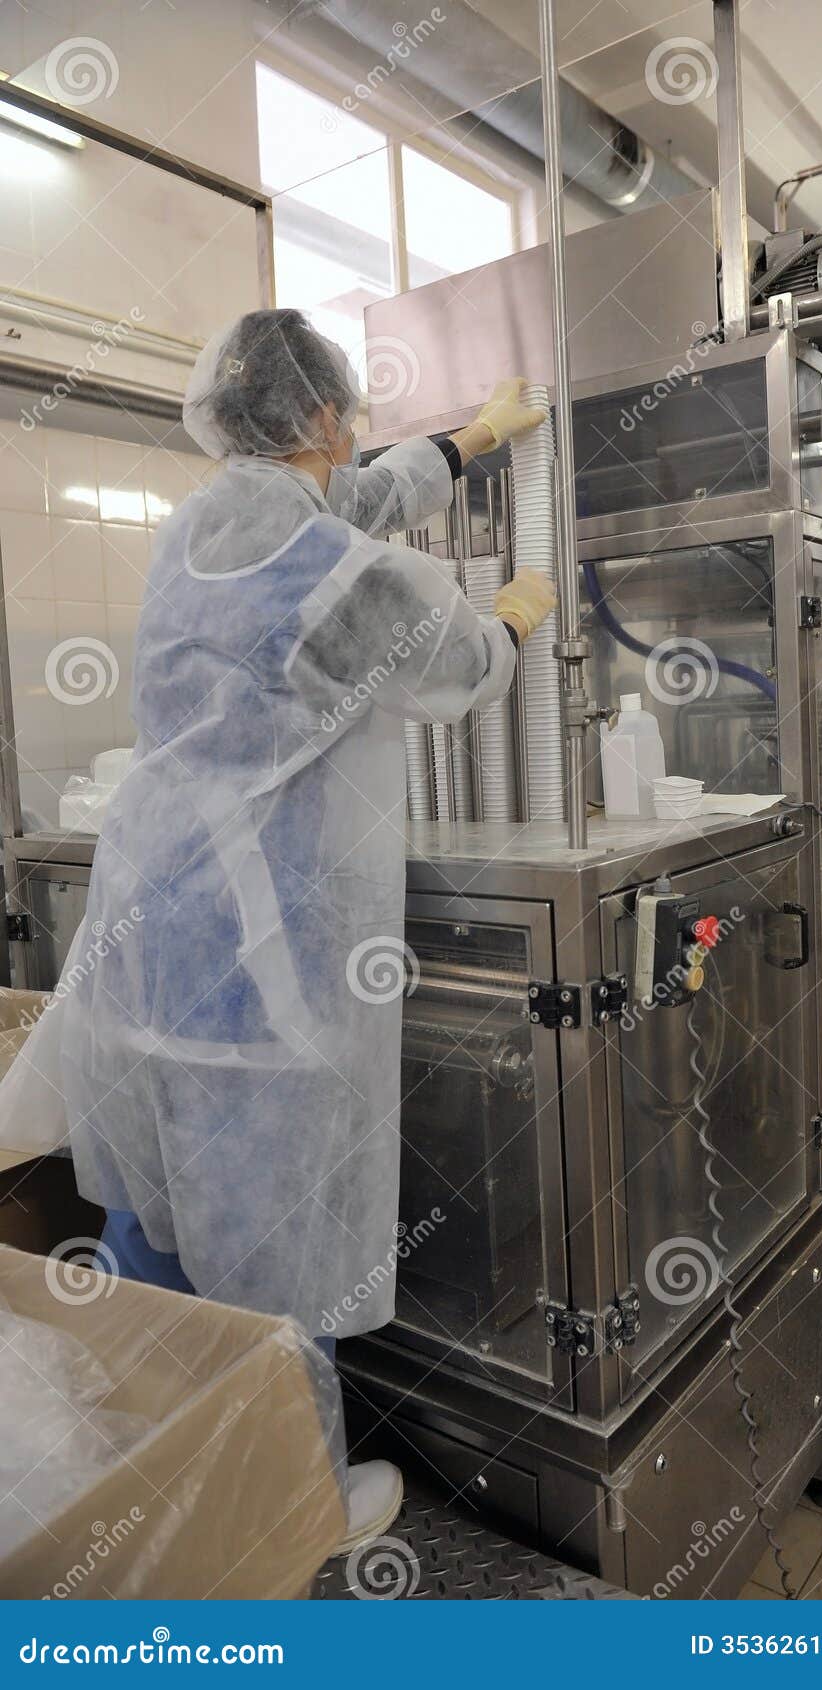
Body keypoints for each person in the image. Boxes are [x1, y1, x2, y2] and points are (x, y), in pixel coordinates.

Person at [46, 309, 557, 1553]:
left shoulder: (207, 524)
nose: (355, 433)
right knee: (274, 1256)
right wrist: (514, 621)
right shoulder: (318, 561)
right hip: (255, 959)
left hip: (144, 936)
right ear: (323, 414)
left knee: (150, 1230)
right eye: (349, 415)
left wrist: (470, 440)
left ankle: (139, 1501)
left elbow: (352, 511)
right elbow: (443, 664)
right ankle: (299, 1516)